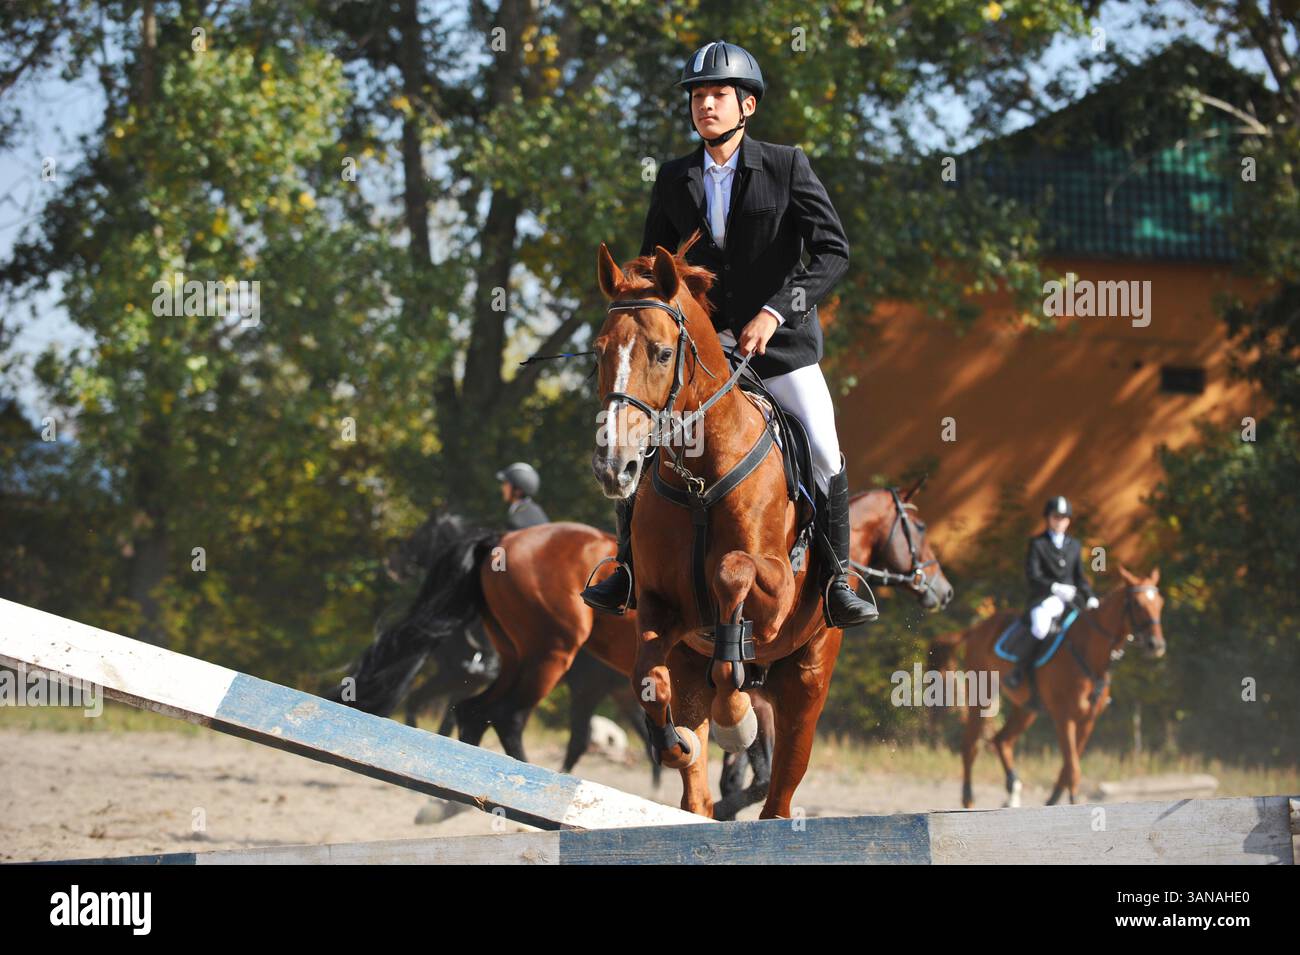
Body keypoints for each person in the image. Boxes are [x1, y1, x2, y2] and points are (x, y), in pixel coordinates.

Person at [579, 39, 877, 628]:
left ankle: (839, 579)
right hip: (700, 356)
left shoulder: (786, 165)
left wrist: (774, 312)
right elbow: (648, 268)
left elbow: (832, 251)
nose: (705, 105)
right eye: (697, 96)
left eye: (717, 94)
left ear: (747, 106)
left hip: (781, 347)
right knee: (637, 437)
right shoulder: (674, 179)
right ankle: (628, 569)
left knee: (823, 445)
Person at [1006, 495, 1100, 689]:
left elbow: (1080, 576)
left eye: (1064, 517)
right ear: (1048, 518)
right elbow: (1033, 575)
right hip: (1044, 598)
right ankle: (1020, 670)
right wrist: (1054, 587)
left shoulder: (1074, 545)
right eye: (1056, 517)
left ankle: (1095, 679)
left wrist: (1090, 597)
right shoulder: (1038, 544)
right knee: (1040, 627)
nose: (1060, 521)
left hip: (1072, 600)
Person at [495, 462, 549, 529]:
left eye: (506, 483)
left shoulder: (518, 520)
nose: (502, 488)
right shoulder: (534, 511)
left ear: (518, 490)